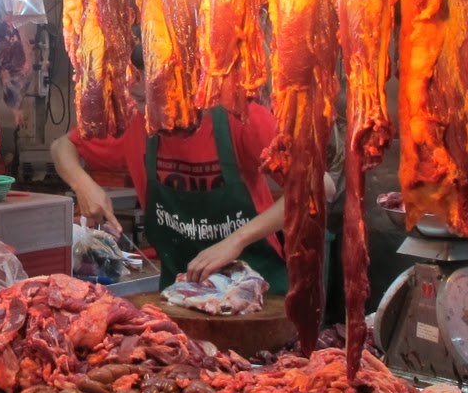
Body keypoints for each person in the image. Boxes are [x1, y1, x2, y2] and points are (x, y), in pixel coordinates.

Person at [51, 99, 332, 291]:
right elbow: (62, 146)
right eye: (141, 99)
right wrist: (83, 184)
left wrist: (235, 241)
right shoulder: (137, 120)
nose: (147, 110)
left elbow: (321, 186)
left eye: (156, 98)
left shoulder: (241, 116)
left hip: (257, 292)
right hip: (181, 297)